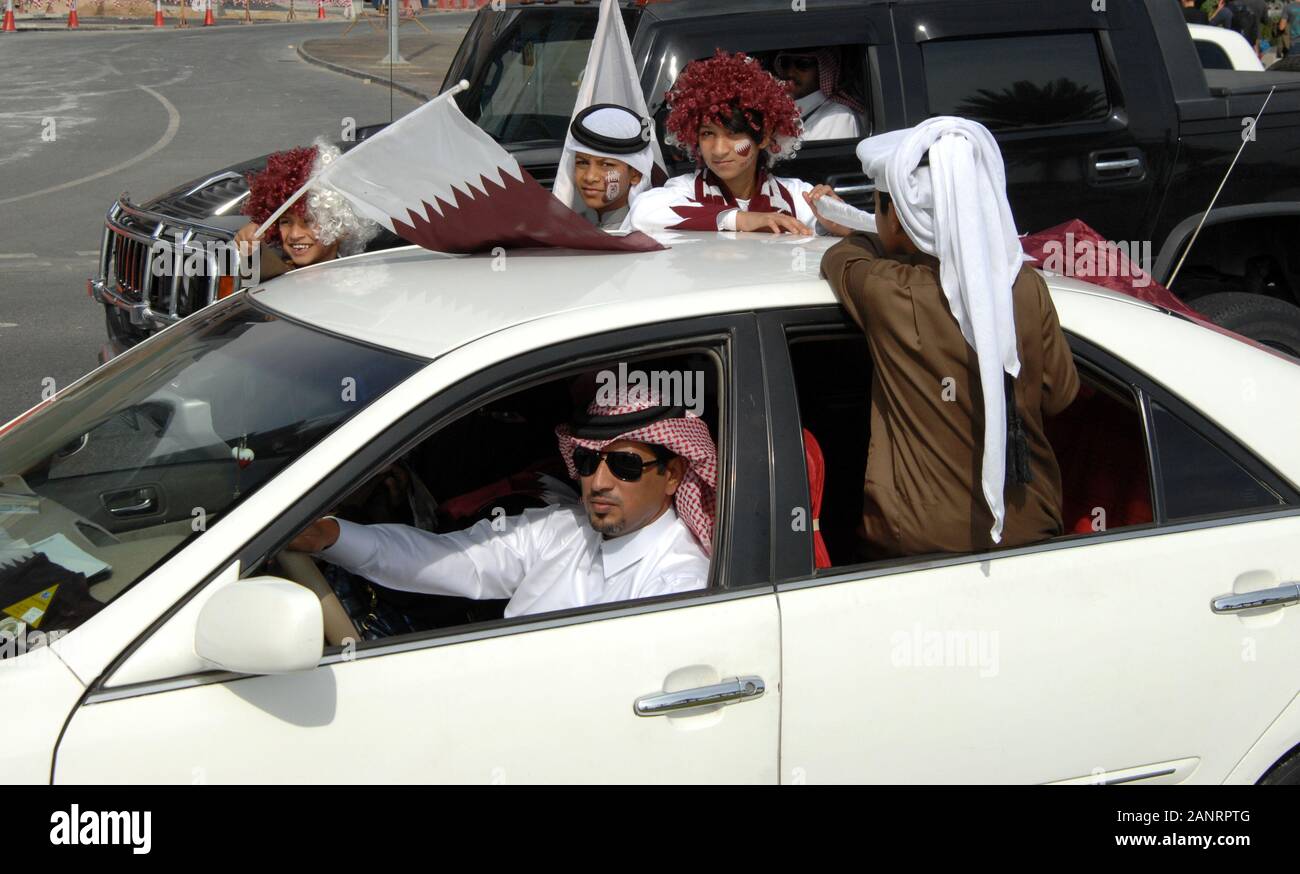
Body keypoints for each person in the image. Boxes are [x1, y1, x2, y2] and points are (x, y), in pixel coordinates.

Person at [813, 118, 1079, 559]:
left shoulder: (887, 289)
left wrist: (862, 231)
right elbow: (1059, 395)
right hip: (1032, 526)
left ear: (897, 216)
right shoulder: (1025, 285)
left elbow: (841, 256)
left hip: (916, 544)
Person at [288, 394, 717, 618]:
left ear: (674, 474)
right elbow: (453, 561)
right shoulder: (561, 529)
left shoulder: (679, 586)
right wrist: (330, 536)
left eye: (624, 466)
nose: (598, 482)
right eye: (588, 462)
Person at [629, 50, 866, 236]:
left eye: (733, 134)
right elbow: (642, 212)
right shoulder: (684, 190)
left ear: (763, 137)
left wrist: (839, 224)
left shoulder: (797, 195)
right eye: (707, 134)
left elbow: (864, 230)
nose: (719, 150)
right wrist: (740, 219)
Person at [234, 139, 380, 282]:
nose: (295, 234)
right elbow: (260, 276)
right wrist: (251, 251)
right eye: (285, 221)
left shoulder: (359, 284)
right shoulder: (278, 272)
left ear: (341, 225)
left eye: (309, 221)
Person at [560, 103, 657, 231]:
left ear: (636, 174)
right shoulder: (564, 229)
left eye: (606, 165)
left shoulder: (652, 231)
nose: (589, 177)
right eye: (582, 163)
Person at [773, 47, 864, 141]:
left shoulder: (837, 116)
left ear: (824, 68)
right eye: (785, 64)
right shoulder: (780, 111)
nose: (790, 73)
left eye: (803, 64)